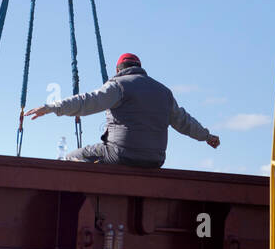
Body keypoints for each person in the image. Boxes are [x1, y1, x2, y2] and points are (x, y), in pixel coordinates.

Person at [28, 52, 221, 168]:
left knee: (71, 158)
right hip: (155, 159)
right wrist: (207, 136)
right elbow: (184, 122)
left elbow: (87, 102)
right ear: (140, 68)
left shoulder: (119, 85)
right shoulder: (164, 92)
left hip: (121, 154)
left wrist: (51, 107)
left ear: (118, 69)